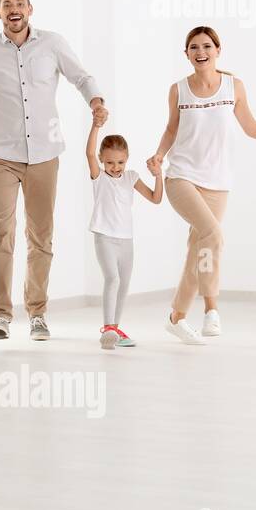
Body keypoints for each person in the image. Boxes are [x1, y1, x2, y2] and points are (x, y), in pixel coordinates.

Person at [0, 0, 107, 341]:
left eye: (19, 4)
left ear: (30, 9)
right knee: (0, 233)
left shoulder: (52, 44)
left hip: (45, 156)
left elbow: (81, 77)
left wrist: (95, 102)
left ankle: (37, 313)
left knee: (40, 236)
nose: (13, 10)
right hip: (0, 157)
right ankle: (0, 315)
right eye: (6, 5)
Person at [147, 26, 256, 344]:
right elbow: (171, 129)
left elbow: (252, 127)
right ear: (186, 54)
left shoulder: (233, 86)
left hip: (218, 182)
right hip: (181, 176)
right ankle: (212, 309)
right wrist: (158, 156)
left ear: (217, 50)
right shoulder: (178, 90)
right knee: (213, 235)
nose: (201, 52)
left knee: (198, 249)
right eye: (194, 47)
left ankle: (176, 318)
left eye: (207, 46)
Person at [85, 124, 163, 349]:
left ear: (127, 159)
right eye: (109, 162)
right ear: (101, 159)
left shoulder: (131, 177)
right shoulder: (99, 177)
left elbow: (156, 198)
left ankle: (115, 329)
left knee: (124, 284)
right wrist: (95, 126)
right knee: (113, 279)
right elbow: (89, 152)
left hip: (126, 240)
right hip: (104, 237)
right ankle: (107, 328)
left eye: (120, 162)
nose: (115, 167)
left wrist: (159, 175)